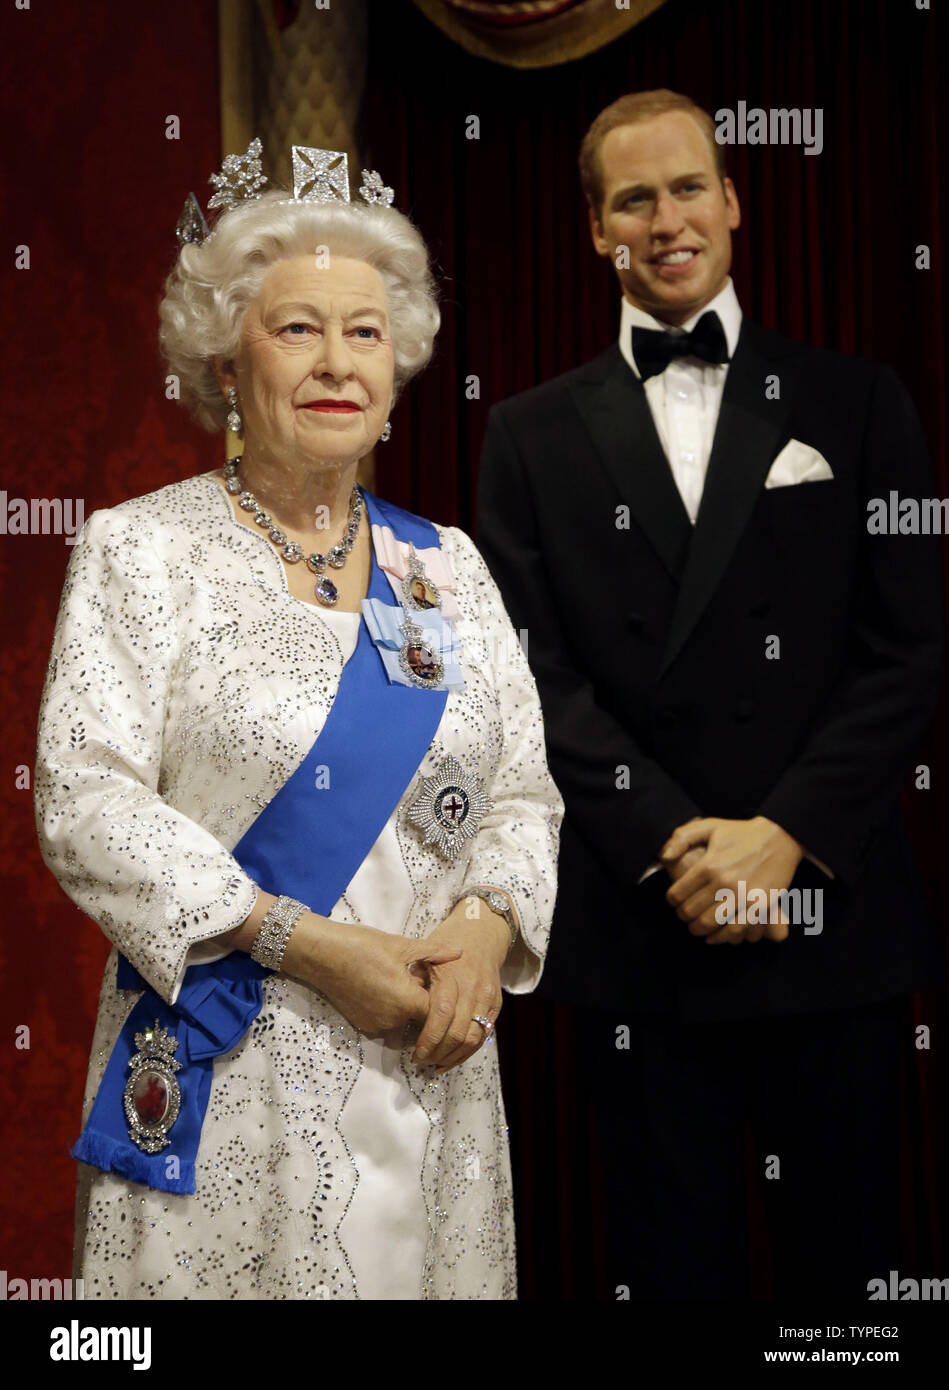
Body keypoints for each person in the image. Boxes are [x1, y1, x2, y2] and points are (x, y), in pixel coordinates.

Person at [34, 141, 562, 1301]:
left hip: (430, 1062)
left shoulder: (449, 567)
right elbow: (83, 798)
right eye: (297, 329)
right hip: (234, 1065)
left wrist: (482, 930)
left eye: (364, 332)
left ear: (399, 359)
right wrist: (305, 943)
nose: (336, 364)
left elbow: (521, 790)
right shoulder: (144, 548)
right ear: (228, 358)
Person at [476, 90, 944, 1299]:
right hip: (643, 927)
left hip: (827, 916)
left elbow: (907, 650)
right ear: (595, 229)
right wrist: (675, 846)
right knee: (659, 1272)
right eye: (634, 198)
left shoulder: (856, 400)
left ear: (732, 203)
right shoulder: (525, 436)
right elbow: (531, 673)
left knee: (845, 1287)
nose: (667, 217)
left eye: (689, 187)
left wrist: (785, 835)